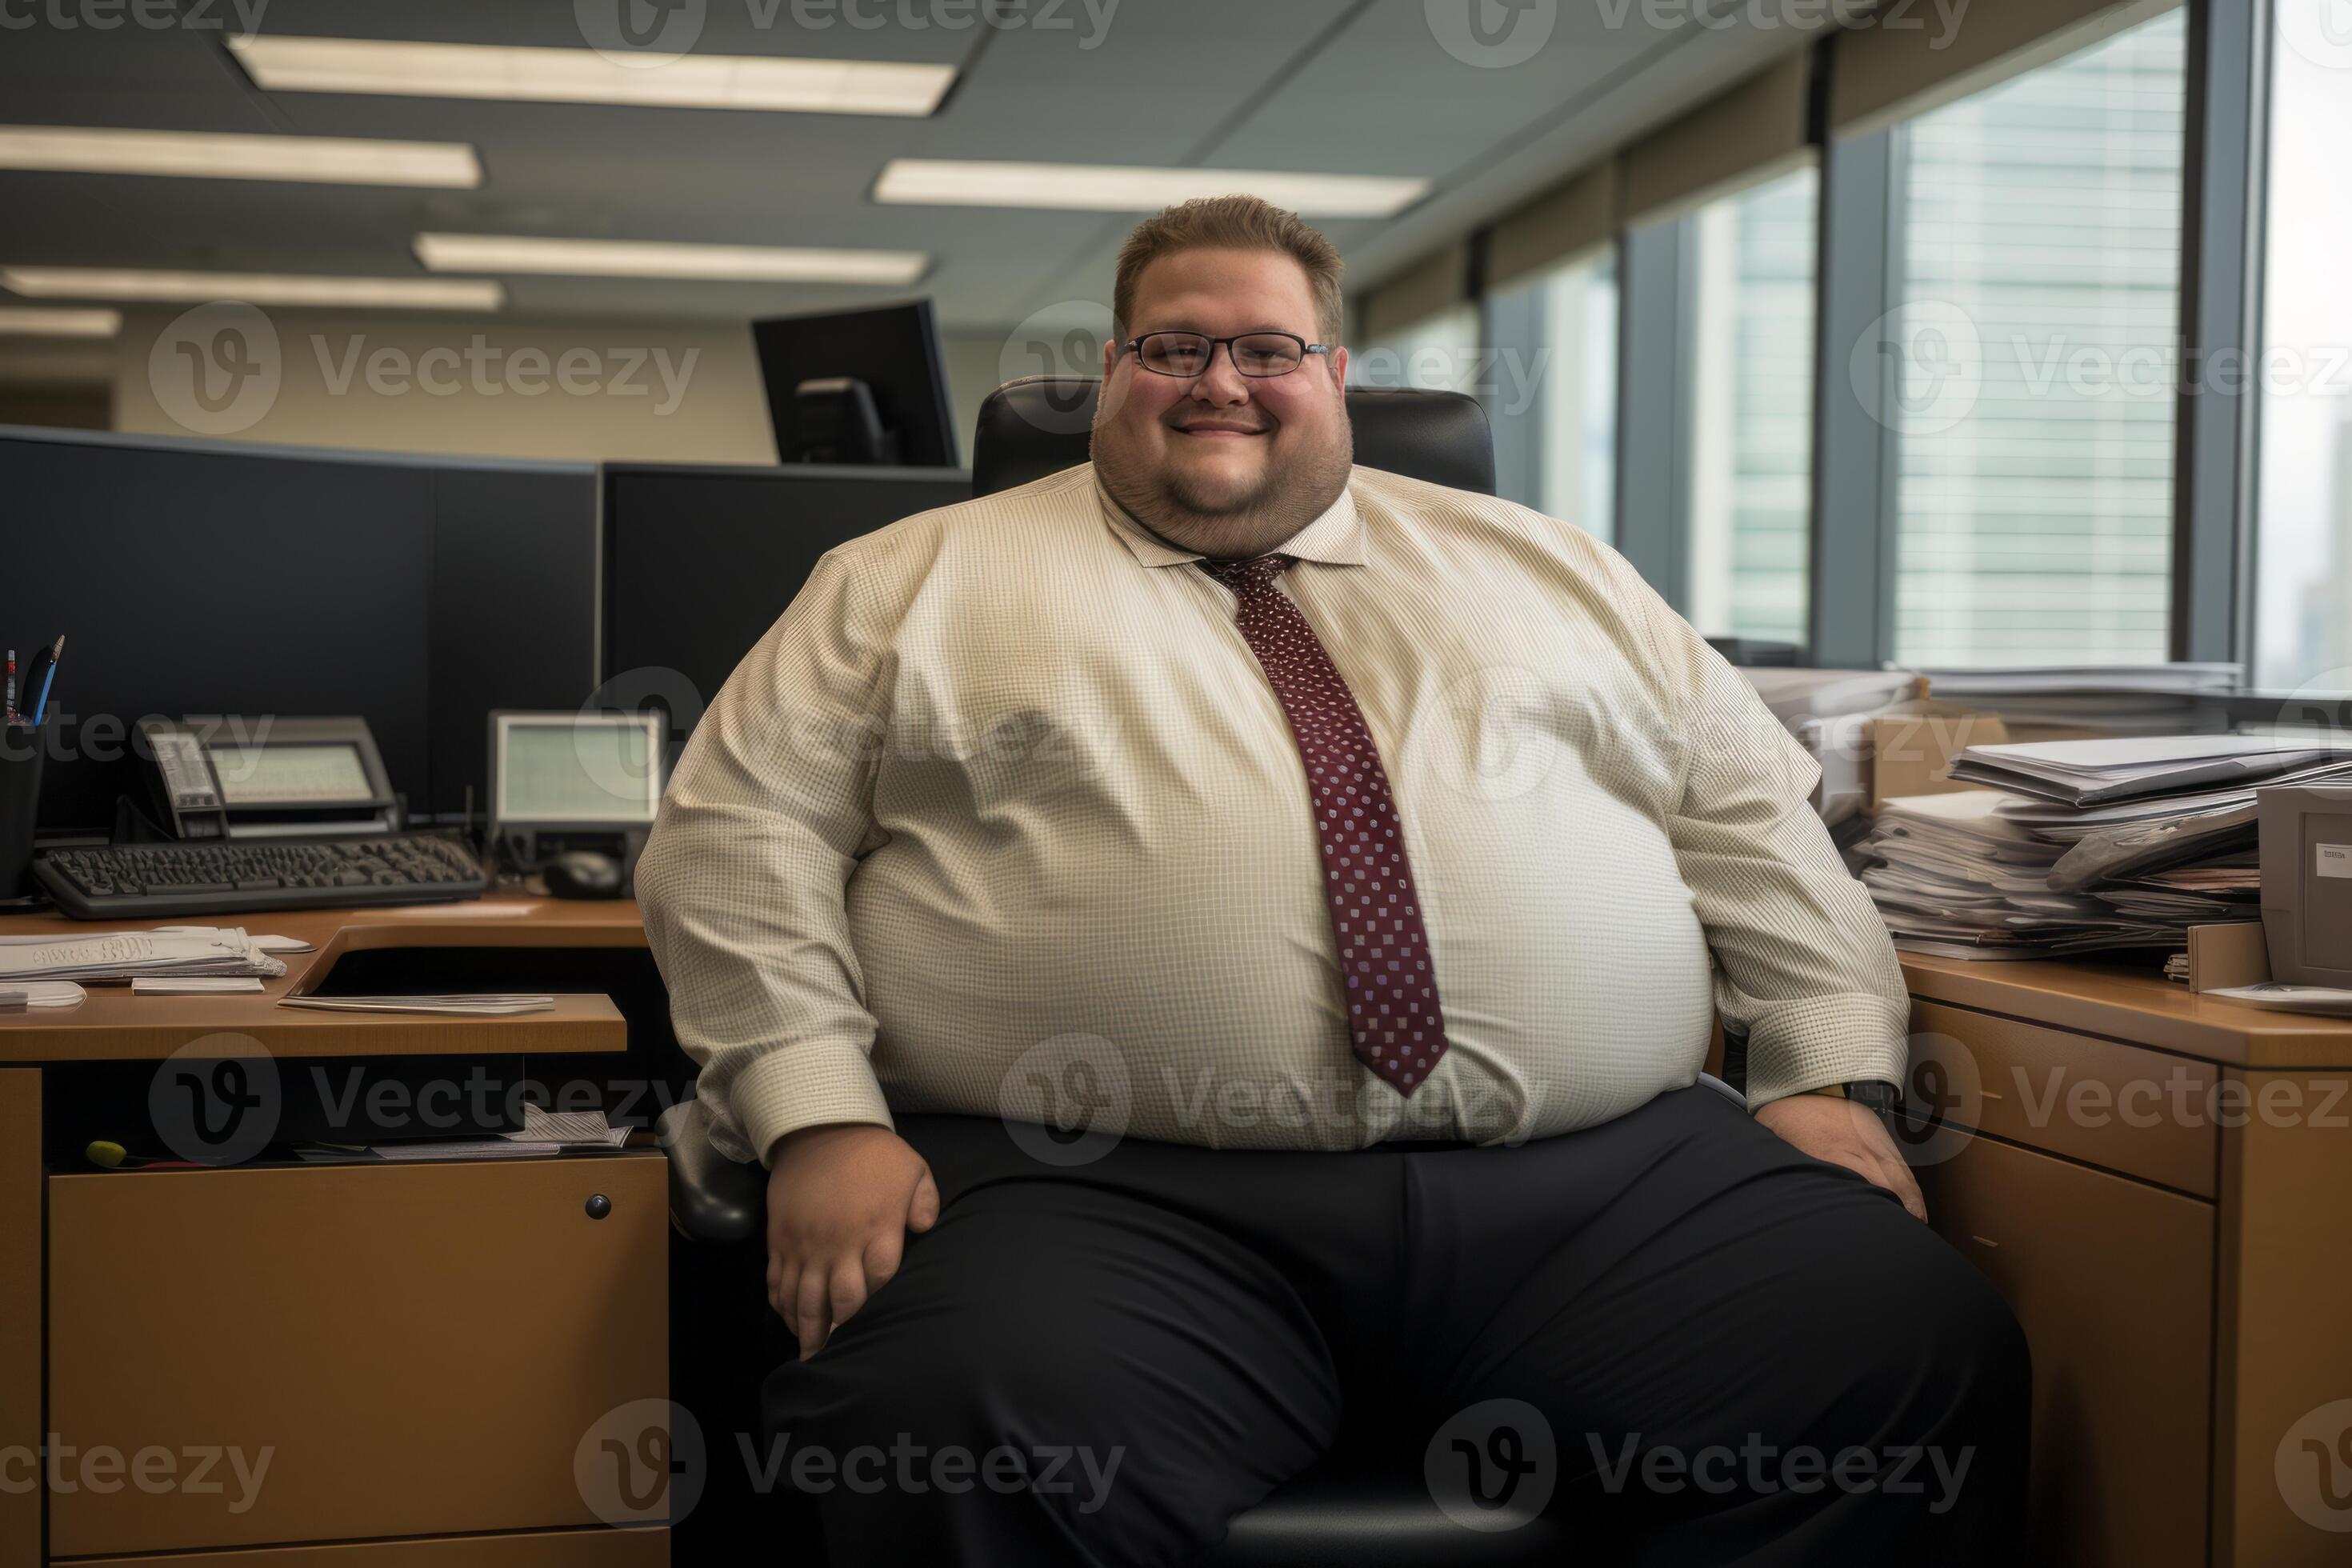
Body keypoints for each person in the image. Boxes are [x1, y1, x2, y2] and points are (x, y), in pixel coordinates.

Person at [636, 194, 2027, 1566]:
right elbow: (736, 843)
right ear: (1109, 372)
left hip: (1597, 1191)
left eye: (1268, 349)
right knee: (948, 1429)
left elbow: (1754, 830)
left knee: (1901, 1354)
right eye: (1173, 347)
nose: (1220, 382)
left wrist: (1826, 1077)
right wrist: (816, 1117)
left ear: (1336, 375)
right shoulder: (905, 582)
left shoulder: (1557, 571)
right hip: (1099, 1198)